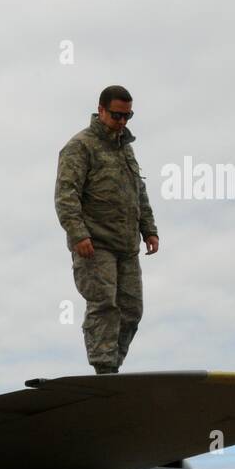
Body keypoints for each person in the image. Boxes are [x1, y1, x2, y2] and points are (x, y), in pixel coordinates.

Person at [55, 85, 160, 374]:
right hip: (95, 244)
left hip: (126, 246)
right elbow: (66, 195)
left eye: (128, 116)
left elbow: (138, 191)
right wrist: (78, 234)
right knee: (104, 305)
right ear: (101, 110)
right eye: (117, 115)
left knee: (132, 311)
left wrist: (149, 229)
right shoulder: (80, 146)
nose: (122, 122)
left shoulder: (126, 149)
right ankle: (104, 368)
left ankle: (113, 364)